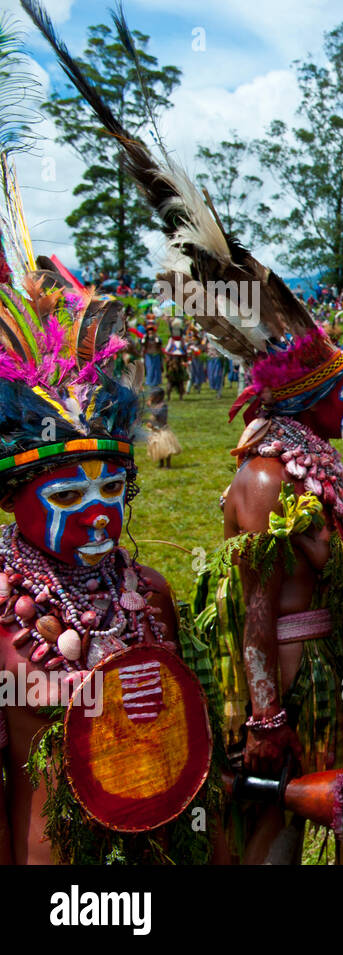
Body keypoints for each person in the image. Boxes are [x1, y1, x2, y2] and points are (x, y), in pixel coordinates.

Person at [46, 34, 343, 863]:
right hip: (286, 675)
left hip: (319, 665)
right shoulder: (262, 473)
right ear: (301, 397)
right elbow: (254, 603)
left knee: (294, 820)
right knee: (268, 825)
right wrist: (267, 713)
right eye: (337, 390)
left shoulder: (298, 460)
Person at [0, 263, 217, 864]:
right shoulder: (4, 615)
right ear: (11, 498)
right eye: (67, 497)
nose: (100, 518)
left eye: (111, 491)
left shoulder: (150, 593)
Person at [145, 387, 181, 468]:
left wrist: (150, 406)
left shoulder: (163, 405)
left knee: (166, 448)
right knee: (158, 448)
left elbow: (157, 415)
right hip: (156, 430)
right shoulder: (157, 405)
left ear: (159, 396)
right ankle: (161, 463)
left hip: (163, 430)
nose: (151, 397)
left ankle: (168, 464)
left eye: (153, 396)